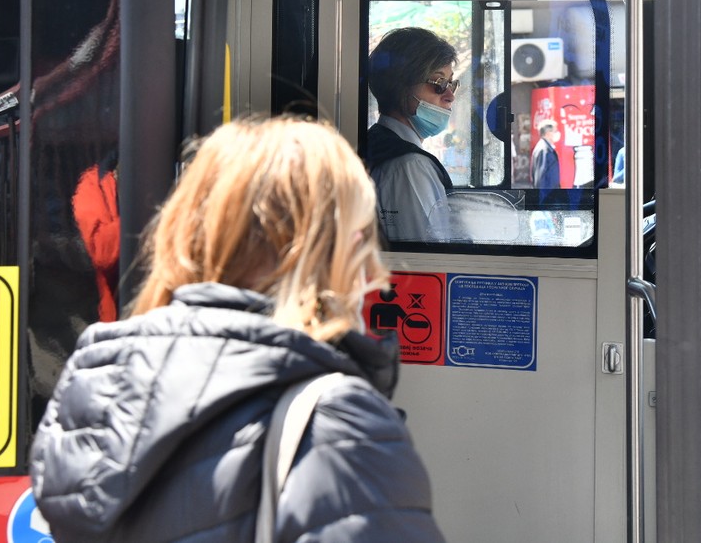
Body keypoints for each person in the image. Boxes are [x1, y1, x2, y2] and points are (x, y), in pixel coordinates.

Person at [30, 117, 444, 543]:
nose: (373, 271)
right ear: (321, 251)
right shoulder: (337, 424)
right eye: (361, 240)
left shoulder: (92, 385)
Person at [365, 27, 459, 242]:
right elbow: (427, 257)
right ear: (400, 87)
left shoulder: (378, 142)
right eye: (439, 84)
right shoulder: (410, 166)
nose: (450, 96)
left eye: (451, 83)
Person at [530, 119, 561, 192]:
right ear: (548, 133)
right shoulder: (544, 150)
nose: (557, 133)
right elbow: (540, 178)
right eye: (555, 131)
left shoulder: (546, 148)